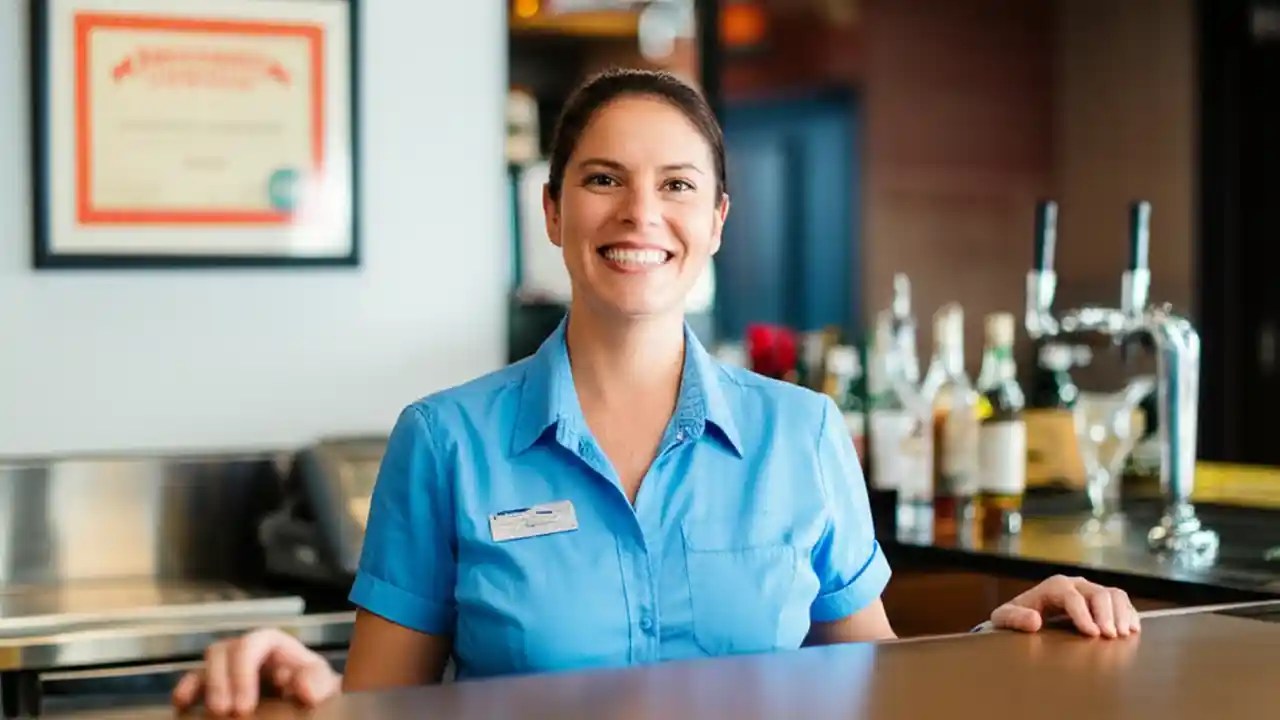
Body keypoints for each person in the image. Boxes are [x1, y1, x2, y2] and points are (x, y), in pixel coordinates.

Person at [172, 68, 1141, 716]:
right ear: (551, 211)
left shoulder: (801, 435)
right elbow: (379, 709)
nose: (640, 213)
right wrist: (290, 684)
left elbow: (868, 681)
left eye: (677, 185)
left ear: (715, 220)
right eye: (602, 179)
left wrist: (1001, 636)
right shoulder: (443, 443)